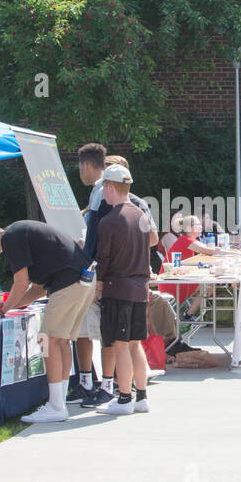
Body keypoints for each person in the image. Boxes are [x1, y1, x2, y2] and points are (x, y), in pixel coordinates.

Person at [0, 217, 96, 423]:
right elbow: (37, 290)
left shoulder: (11, 238)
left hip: (70, 282)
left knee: (47, 339)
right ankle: (59, 403)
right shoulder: (20, 234)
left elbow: (21, 284)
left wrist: (1, 309)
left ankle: (56, 407)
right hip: (84, 280)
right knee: (60, 341)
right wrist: (7, 306)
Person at [94, 164, 152, 414]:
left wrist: (98, 285)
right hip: (140, 287)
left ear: (109, 187)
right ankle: (141, 396)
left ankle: (125, 398)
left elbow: (104, 259)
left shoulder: (109, 220)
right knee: (135, 344)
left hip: (118, 288)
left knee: (119, 344)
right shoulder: (141, 215)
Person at [71, 142, 108, 406]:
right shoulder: (99, 191)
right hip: (93, 271)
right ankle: (87, 382)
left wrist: (97, 275)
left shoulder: (102, 191)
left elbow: (100, 237)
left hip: (98, 272)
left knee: (104, 333)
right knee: (83, 328)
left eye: (79, 167)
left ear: (85, 165)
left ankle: (108, 385)